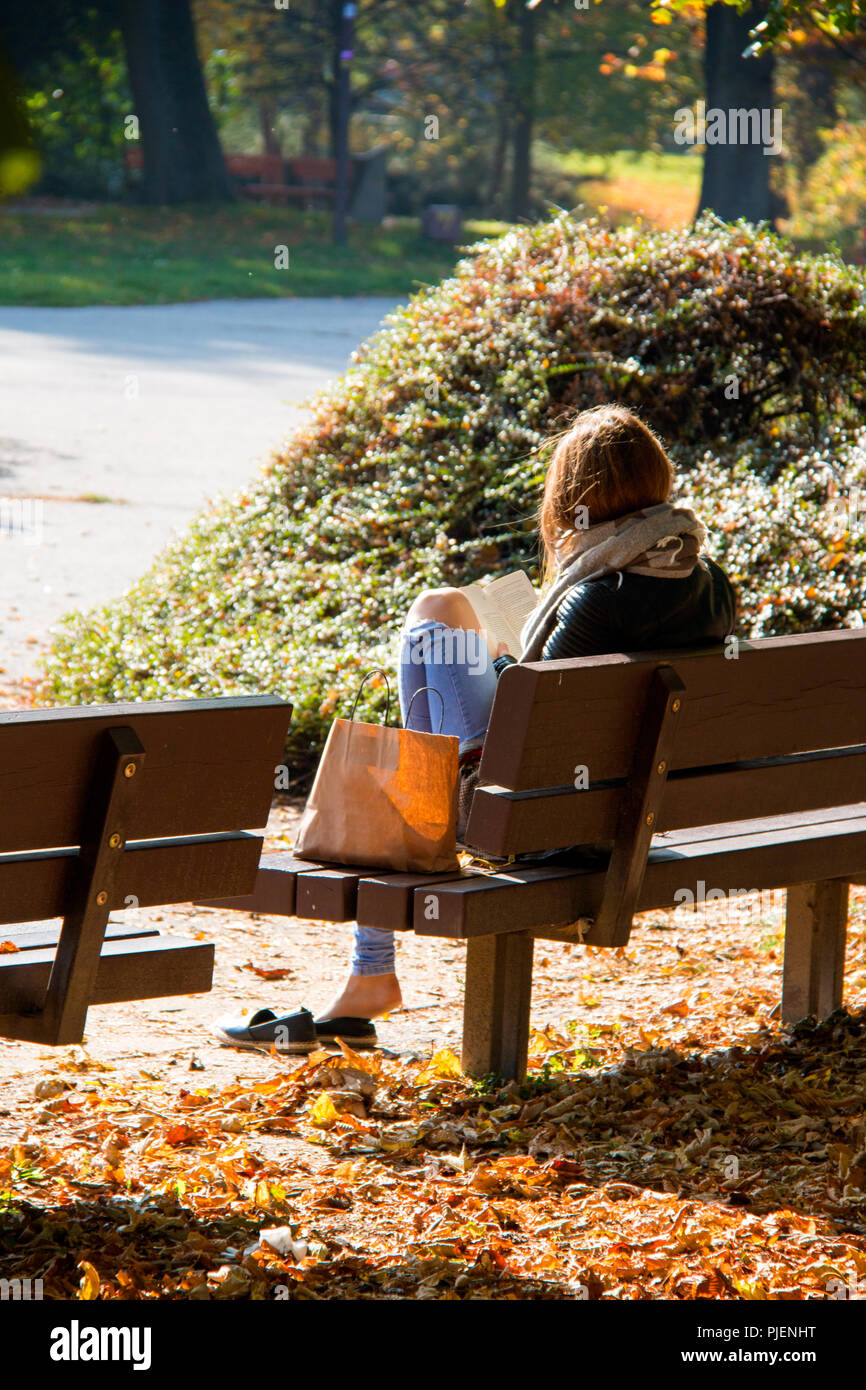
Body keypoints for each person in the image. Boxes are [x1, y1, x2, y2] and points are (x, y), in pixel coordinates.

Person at [214, 405, 736, 1053]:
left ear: (574, 499)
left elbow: (534, 738)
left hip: (536, 823)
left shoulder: (595, 597)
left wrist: (499, 662)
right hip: (628, 811)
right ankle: (370, 968)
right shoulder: (709, 583)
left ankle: (373, 963)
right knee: (452, 613)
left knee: (434, 619)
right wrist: (501, 659)